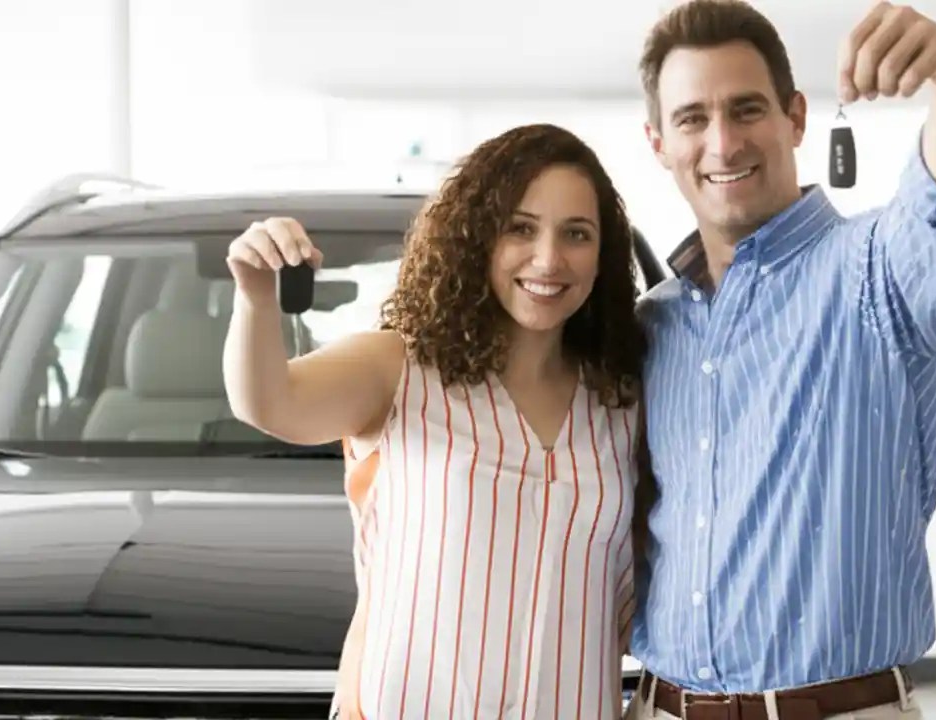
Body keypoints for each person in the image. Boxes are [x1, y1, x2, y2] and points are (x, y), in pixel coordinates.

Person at [626, 1, 936, 718]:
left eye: (746, 109)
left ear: (795, 118)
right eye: (692, 119)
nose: (722, 143)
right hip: (657, 707)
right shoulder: (652, 326)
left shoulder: (877, 272)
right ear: (659, 143)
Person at [223, 123, 647, 719]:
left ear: (602, 256)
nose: (549, 258)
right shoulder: (398, 369)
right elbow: (269, 402)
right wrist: (254, 297)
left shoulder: (622, 402)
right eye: (520, 228)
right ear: (478, 239)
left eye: (576, 233)